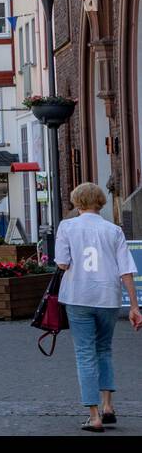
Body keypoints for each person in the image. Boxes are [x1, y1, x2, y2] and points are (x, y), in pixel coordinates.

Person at [55, 181, 142, 432]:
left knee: (85, 353)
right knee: (104, 350)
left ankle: (94, 416)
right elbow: (126, 270)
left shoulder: (67, 227)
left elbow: (62, 263)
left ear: (76, 202)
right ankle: (107, 406)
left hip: (78, 295)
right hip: (108, 297)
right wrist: (135, 306)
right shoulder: (114, 230)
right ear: (100, 202)